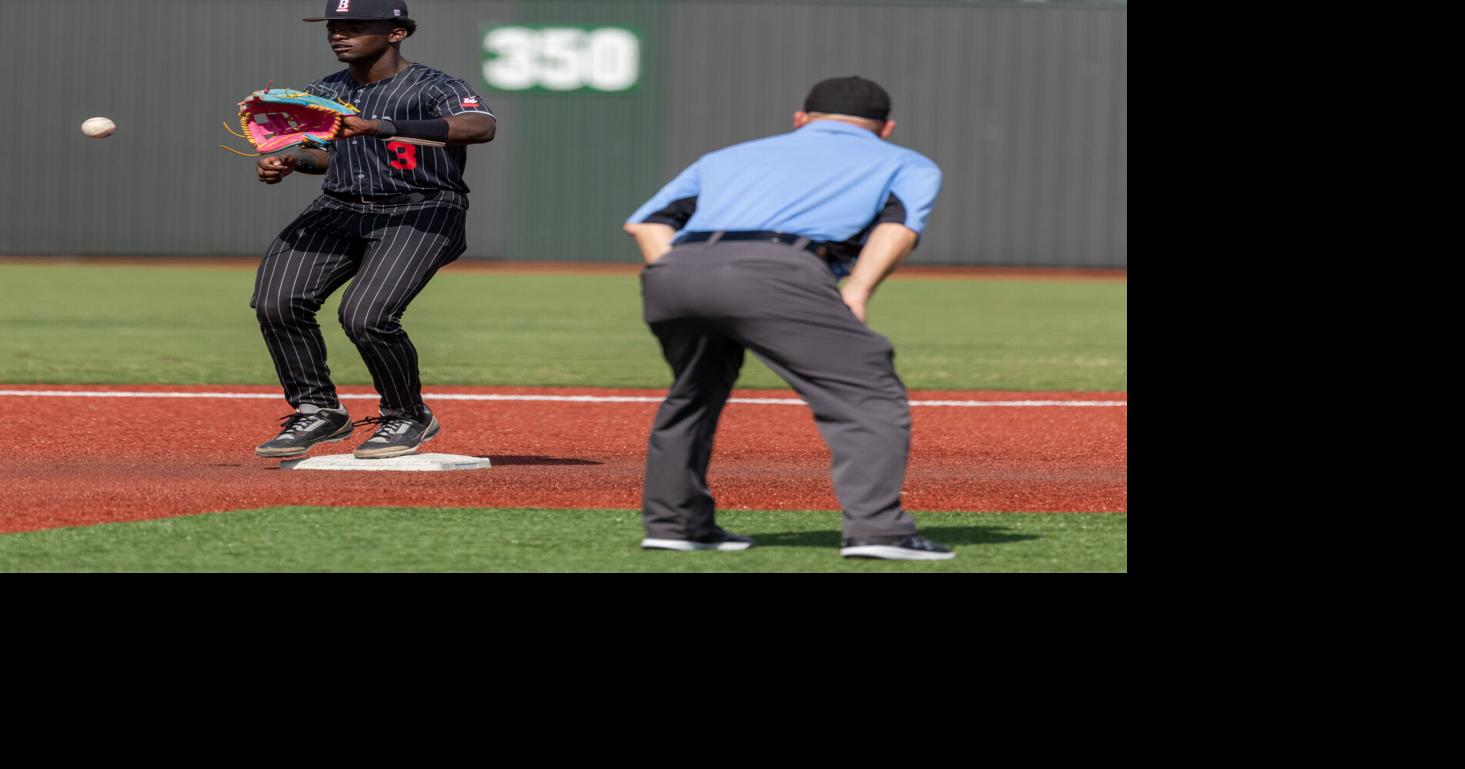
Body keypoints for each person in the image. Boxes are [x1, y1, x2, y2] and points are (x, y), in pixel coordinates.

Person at [623, 76, 953, 560]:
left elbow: (647, 222)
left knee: (693, 392)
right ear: (885, 129)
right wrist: (857, 291)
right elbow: (898, 228)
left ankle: (677, 524)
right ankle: (879, 531)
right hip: (779, 268)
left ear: (801, 120)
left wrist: (682, 272)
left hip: (676, 269)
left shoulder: (726, 157)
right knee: (869, 394)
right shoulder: (906, 161)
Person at [251, 0, 495, 460]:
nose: (338, 35)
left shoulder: (433, 85)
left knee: (366, 316)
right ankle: (318, 410)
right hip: (340, 206)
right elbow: (324, 154)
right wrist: (292, 160)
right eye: (334, 27)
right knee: (277, 300)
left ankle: (407, 415)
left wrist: (382, 126)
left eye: (355, 26)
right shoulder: (323, 91)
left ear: (396, 33)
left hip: (421, 210)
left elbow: (479, 127)